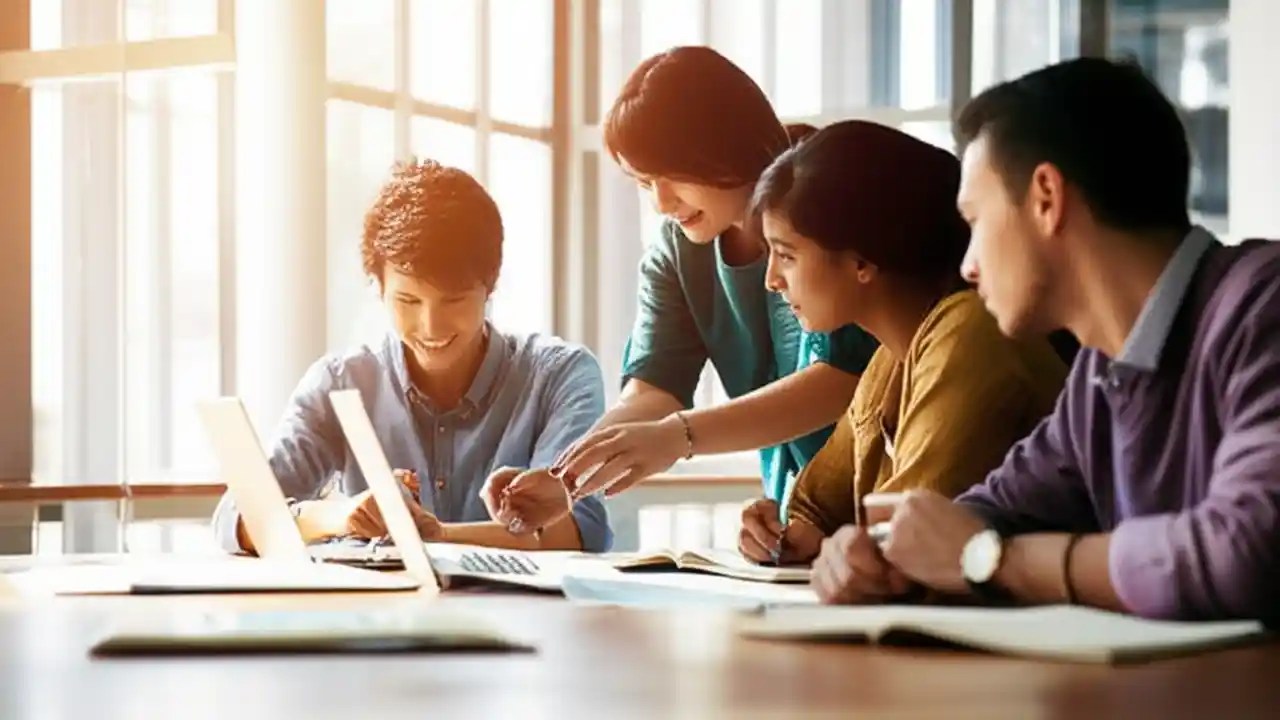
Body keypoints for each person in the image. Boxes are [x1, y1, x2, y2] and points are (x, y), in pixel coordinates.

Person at [811, 57, 1280, 625]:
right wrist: (886, 558)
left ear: (1046, 198)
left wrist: (992, 560)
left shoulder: (1263, 307)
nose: (968, 264)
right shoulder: (1100, 373)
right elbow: (989, 515)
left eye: (976, 220)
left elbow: (1247, 551)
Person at [488, 46, 878, 532]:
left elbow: (843, 379)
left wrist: (680, 437)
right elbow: (653, 392)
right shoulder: (678, 251)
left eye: (672, 176)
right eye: (644, 182)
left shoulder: (826, 191)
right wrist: (563, 476)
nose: (661, 202)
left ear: (723, 143)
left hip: (885, 505)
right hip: (798, 527)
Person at [212, 159, 612, 553]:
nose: (431, 325)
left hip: (530, 617)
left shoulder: (559, 376)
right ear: (378, 287)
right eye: (407, 300)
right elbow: (235, 517)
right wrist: (344, 517)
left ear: (490, 286)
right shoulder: (341, 381)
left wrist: (431, 537)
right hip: (383, 617)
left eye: (454, 301)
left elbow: (578, 529)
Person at [737, 121, 1067, 565]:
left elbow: (903, 535)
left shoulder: (969, 332)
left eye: (788, 255)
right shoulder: (887, 361)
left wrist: (832, 541)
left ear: (861, 260)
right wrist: (778, 532)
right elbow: (816, 508)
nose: (772, 280)